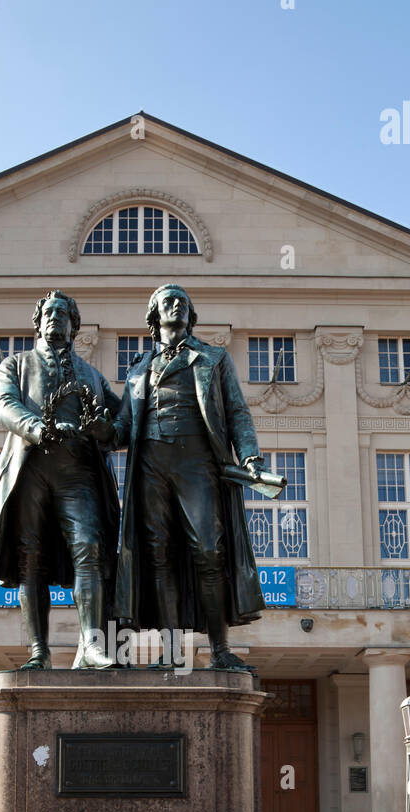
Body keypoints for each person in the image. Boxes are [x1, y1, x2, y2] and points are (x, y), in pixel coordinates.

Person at [112, 284, 266, 672]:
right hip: (150, 463)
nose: (177, 305)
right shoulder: (138, 370)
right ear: (154, 315)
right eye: (168, 301)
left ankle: (219, 649)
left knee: (209, 552)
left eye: (183, 301)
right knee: (159, 554)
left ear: (190, 315)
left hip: (197, 461)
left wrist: (249, 454)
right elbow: (120, 431)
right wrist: (87, 427)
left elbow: (237, 411)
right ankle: (171, 651)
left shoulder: (213, 358)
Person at [0, 290, 122, 670]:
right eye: (48, 313)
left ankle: (92, 646)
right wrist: (37, 427)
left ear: (74, 325)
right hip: (30, 469)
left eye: (63, 314)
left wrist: (105, 429)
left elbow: (123, 425)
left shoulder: (93, 377)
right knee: (30, 560)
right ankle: (38, 651)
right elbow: (5, 406)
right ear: (38, 322)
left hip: (78, 473)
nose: (55, 319)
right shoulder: (16, 364)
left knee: (90, 550)